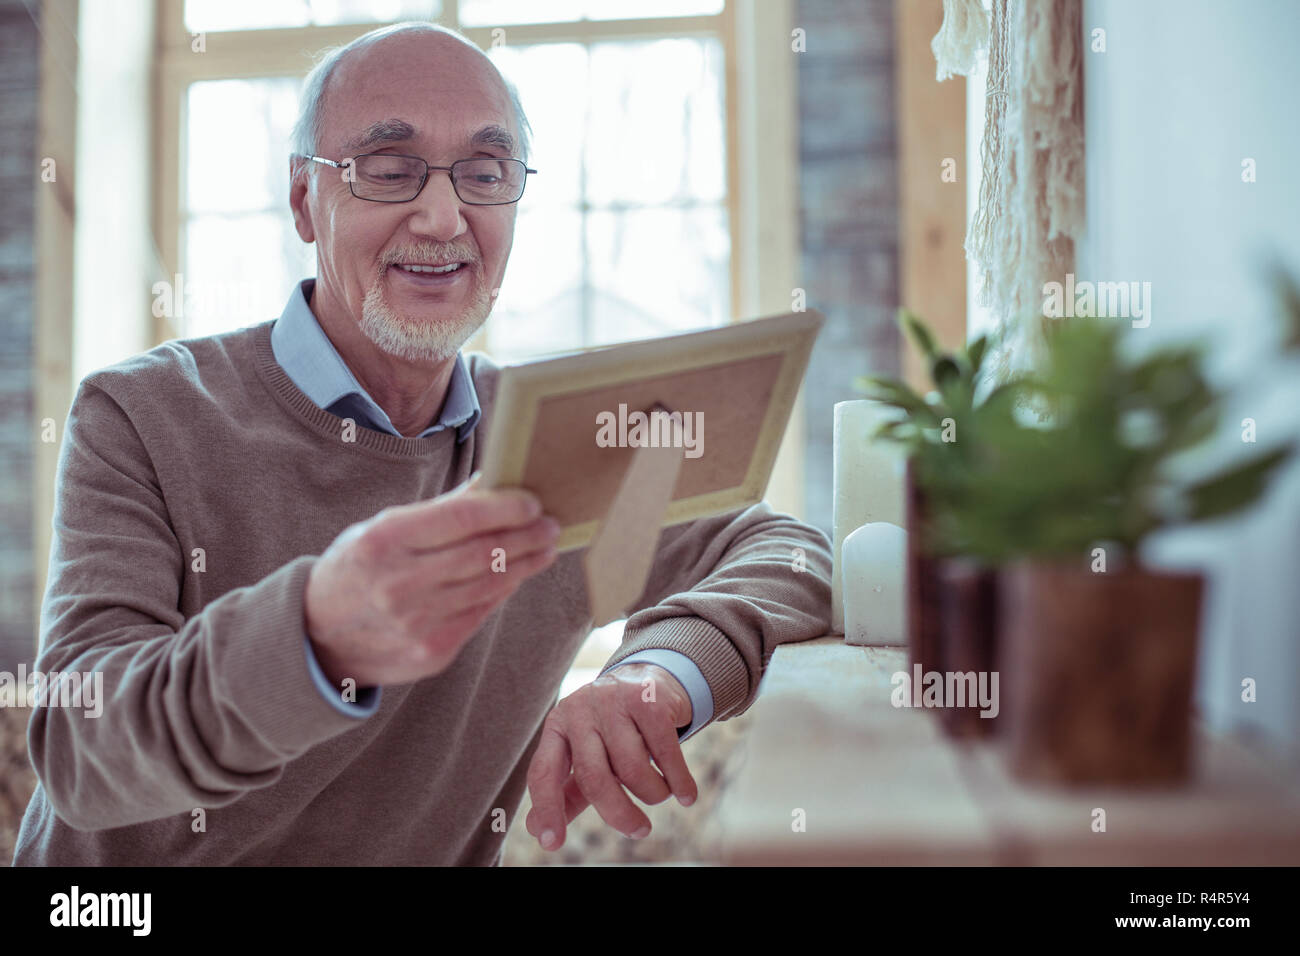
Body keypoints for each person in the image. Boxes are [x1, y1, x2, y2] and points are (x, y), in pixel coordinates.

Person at [14, 21, 831, 866]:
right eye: (388, 168)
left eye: (485, 172)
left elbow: (791, 552)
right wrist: (316, 636)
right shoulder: (142, 414)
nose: (444, 218)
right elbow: (82, 750)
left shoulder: (557, 439)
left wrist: (659, 674)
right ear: (304, 200)